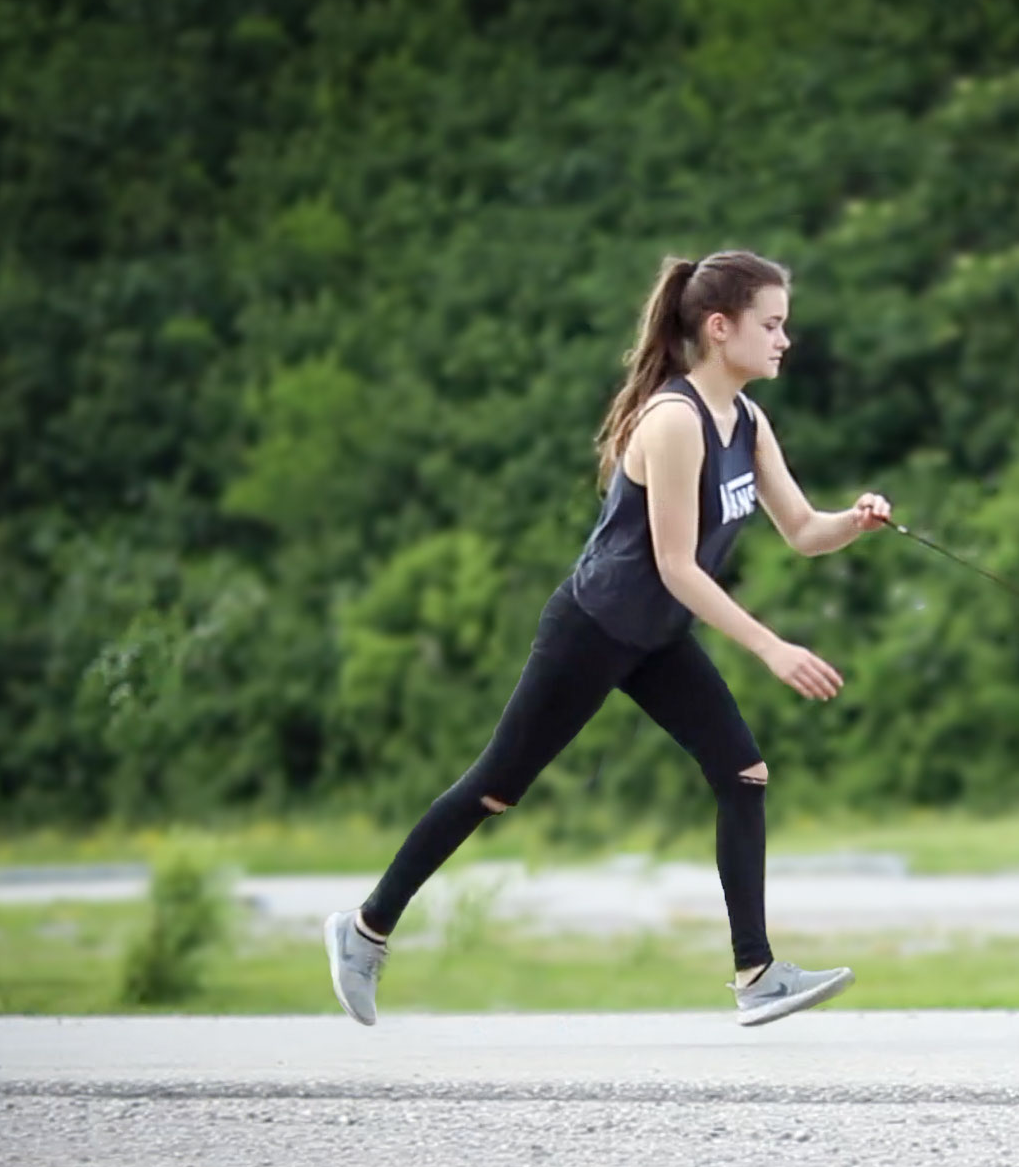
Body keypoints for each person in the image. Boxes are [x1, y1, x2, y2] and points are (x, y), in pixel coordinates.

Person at [323, 249, 890, 1028]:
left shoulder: (748, 420)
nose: (785, 340)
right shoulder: (674, 420)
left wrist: (853, 522)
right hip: (593, 629)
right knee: (495, 787)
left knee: (744, 774)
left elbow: (801, 530)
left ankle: (756, 974)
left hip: (654, 637)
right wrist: (772, 647)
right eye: (772, 324)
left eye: (784, 325)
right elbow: (678, 568)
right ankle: (364, 929)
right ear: (720, 330)